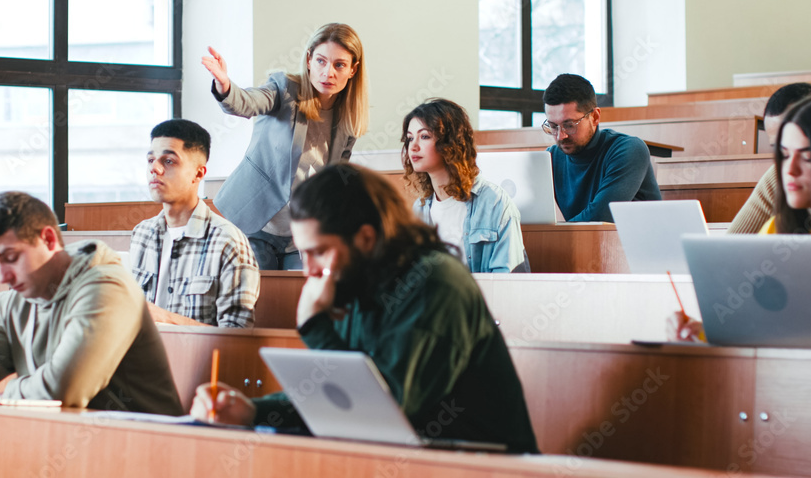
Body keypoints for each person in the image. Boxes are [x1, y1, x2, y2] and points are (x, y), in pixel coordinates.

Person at [188, 163, 540, 454]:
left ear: (367, 239)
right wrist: (253, 410)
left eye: (319, 251)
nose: (308, 270)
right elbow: (336, 392)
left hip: (484, 466)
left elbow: (380, 412)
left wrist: (316, 327)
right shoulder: (356, 282)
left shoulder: (434, 282)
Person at [0, 191, 183, 414]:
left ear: (49, 239)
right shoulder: (11, 302)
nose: (3, 277)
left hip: (143, 442)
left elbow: (62, 392)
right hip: (64, 439)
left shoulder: (107, 288)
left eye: (11, 258)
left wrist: (1, 394)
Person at [202, 23, 369, 270]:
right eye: (321, 61)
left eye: (339, 65)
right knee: (260, 299)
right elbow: (248, 102)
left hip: (300, 233)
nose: (328, 72)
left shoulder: (348, 119)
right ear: (310, 60)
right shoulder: (285, 89)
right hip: (255, 222)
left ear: (353, 70)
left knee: (297, 297)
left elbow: (336, 180)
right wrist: (225, 86)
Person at [670, 95, 811, 340]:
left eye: (806, 157)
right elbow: (754, 322)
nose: (790, 170)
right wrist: (701, 333)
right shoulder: (776, 229)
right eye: (784, 155)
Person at [128, 119, 259, 328]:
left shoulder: (228, 241)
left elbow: (237, 336)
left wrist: (164, 318)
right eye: (151, 160)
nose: (155, 168)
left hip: (195, 359)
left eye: (168, 161)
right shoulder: (142, 234)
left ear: (198, 173)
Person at [401, 98, 529, 272]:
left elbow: (507, 282)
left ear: (450, 143)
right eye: (409, 138)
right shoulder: (420, 208)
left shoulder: (494, 203)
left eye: (424, 136)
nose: (413, 147)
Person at [543, 73, 661, 222]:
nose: (560, 136)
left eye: (569, 125)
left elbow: (599, 218)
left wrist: (551, 234)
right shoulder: (550, 157)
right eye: (553, 126)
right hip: (586, 243)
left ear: (595, 117)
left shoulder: (629, 150)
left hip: (632, 244)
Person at [727, 83, 811, 233]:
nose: (790, 168)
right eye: (782, 150)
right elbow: (731, 244)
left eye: (805, 152)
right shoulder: (780, 174)